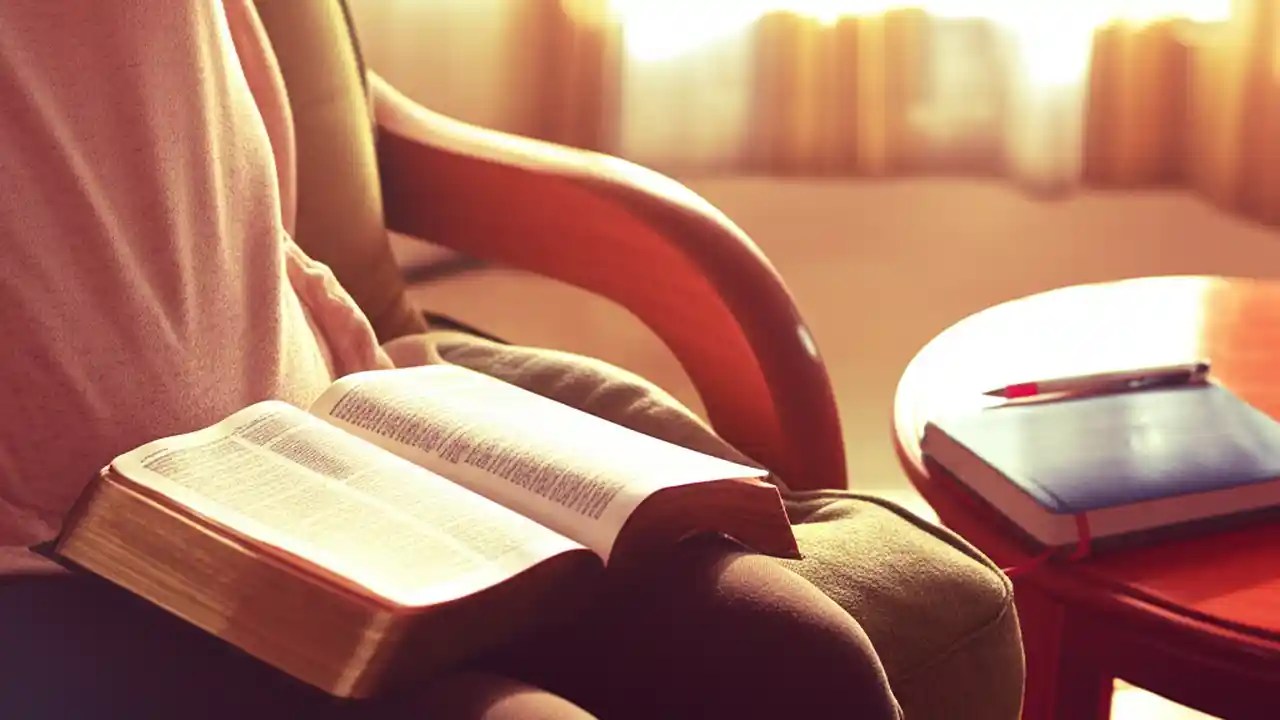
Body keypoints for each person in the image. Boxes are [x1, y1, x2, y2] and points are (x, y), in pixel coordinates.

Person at [0, 2, 901, 718]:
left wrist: (357, 358)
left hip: (308, 450)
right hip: (67, 569)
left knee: (799, 659)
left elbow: (219, 174)